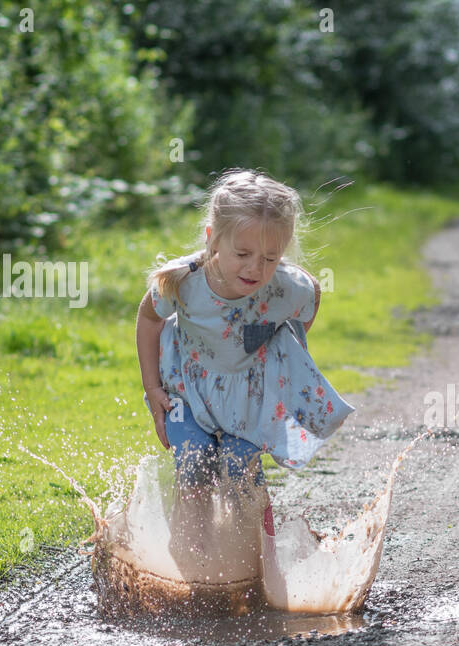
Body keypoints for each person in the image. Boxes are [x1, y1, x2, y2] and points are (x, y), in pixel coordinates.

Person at [135, 168, 353, 550]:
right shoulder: (181, 282)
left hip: (251, 399)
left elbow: (310, 301)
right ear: (212, 239)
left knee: (241, 467)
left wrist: (283, 356)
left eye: (270, 257)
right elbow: (149, 319)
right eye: (243, 254)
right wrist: (152, 388)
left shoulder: (288, 287)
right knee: (195, 461)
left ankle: (256, 556)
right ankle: (191, 553)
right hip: (185, 389)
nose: (255, 268)